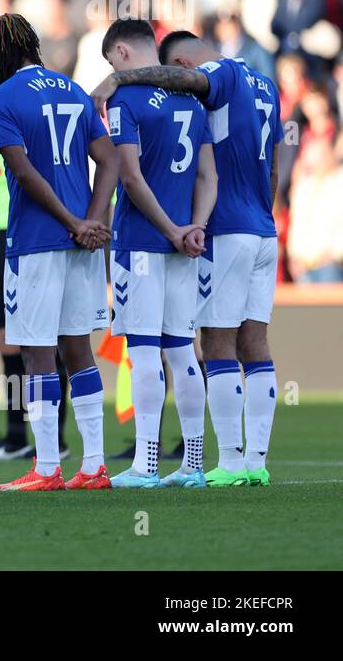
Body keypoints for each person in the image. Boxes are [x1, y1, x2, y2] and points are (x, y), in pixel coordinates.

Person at [91, 30, 283, 487]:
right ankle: (247, 461)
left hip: (210, 232)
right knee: (248, 344)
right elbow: (272, 165)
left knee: (210, 345)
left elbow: (135, 176)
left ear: (182, 63)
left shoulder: (216, 75)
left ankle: (220, 463)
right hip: (261, 228)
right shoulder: (266, 86)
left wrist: (115, 81)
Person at [0, 13, 117, 491]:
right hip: (79, 245)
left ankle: (48, 467)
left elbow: (26, 176)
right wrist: (92, 219)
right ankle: (94, 464)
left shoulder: (1, 100)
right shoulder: (74, 91)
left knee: (37, 355)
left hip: (36, 243)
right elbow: (111, 160)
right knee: (78, 351)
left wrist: (76, 222)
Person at [99, 20, 217, 489]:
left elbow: (129, 176)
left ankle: (147, 463)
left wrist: (169, 231)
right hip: (187, 243)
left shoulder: (125, 100)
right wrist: (195, 228)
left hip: (145, 242)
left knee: (144, 351)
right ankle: (193, 462)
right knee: (183, 349)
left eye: (111, 61)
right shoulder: (192, 99)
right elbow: (208, 176)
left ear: (123, 52)